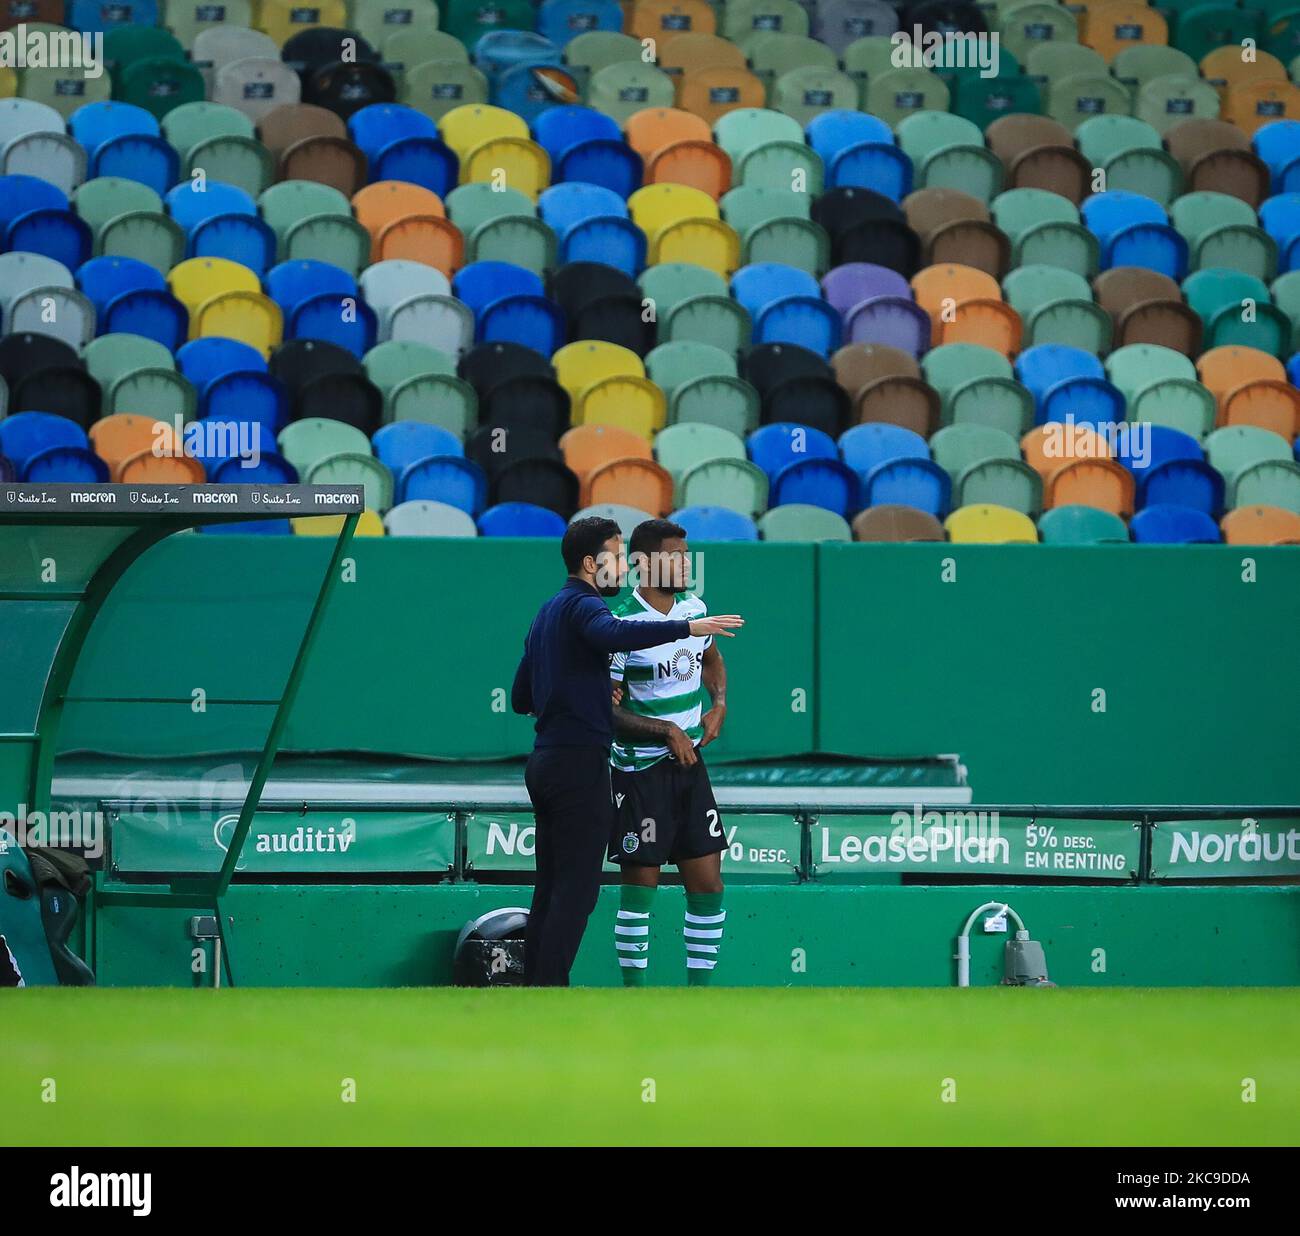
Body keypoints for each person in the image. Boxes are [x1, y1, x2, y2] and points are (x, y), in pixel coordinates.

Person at [510, 516, 743, 987]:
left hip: (558, 757)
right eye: (617, 557)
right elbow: (614, 636)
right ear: (594, 563)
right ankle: (552, 987)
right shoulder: (597, 613)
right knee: (579, 888)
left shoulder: (548, 610)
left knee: (554, 884)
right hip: (604, 765)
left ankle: (537, 987)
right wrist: (686, 628)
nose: (621, 564)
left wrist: (716, 702)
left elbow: (520, 697)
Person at [607, 520, 729, 986]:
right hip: (640, 772)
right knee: (642, 887)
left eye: (685, 553)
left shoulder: (695, 610)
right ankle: (635, 995)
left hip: (690, 768)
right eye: (674, 555)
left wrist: (718, 704)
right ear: (643, 562)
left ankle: (698, 996)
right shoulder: (619, 618)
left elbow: (711, 658)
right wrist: (664, 731)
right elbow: (605, 709)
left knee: (708, 885)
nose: (684, 563)